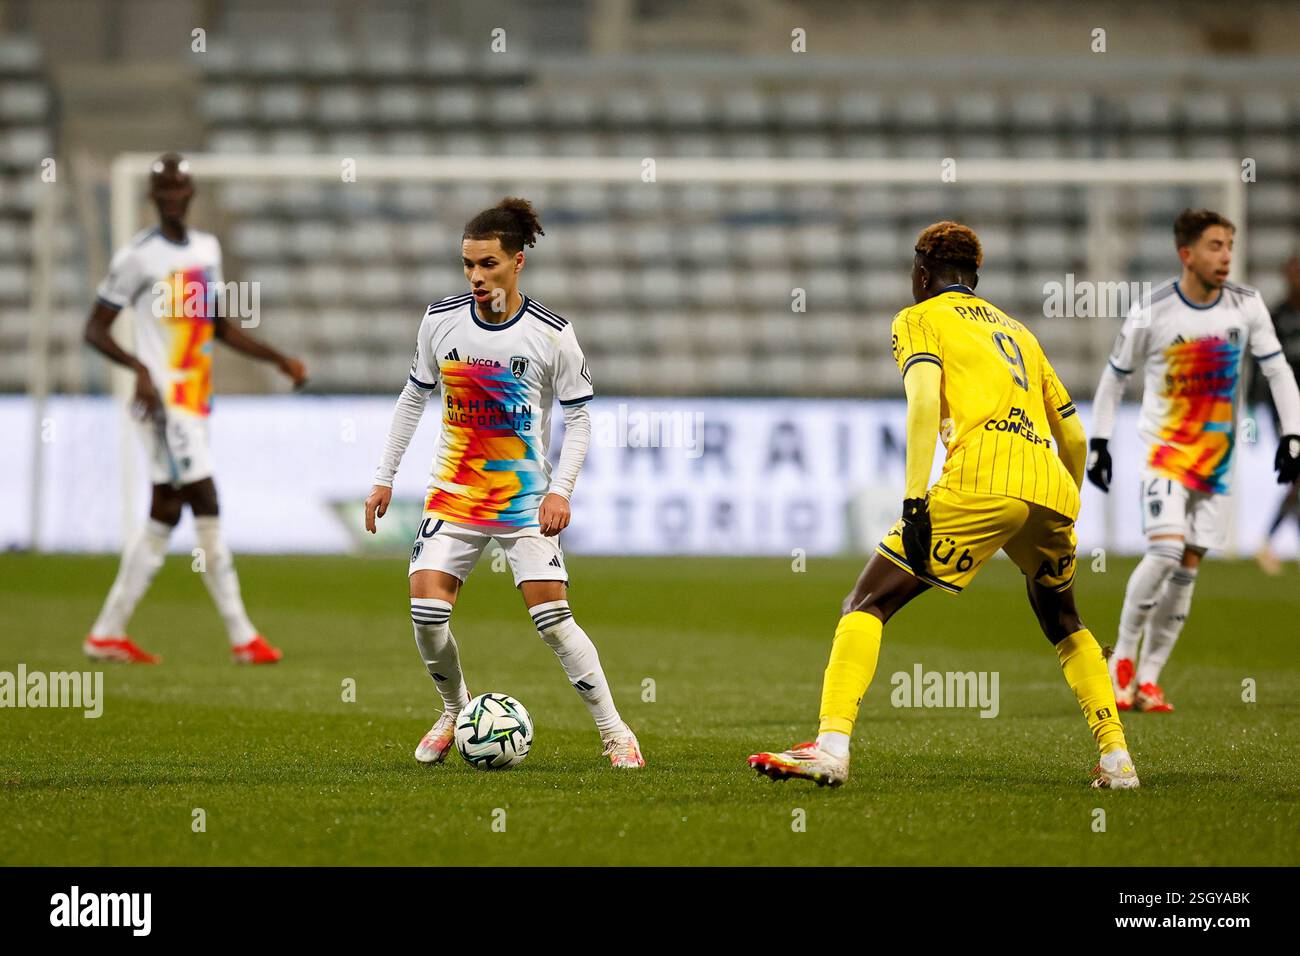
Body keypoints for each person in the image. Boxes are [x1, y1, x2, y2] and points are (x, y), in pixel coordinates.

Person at [749, 221, 1138, 789]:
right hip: (1051, 487)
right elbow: (1074, 436)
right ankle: (1117, 759)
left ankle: (831, 746)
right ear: (974, 277)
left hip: (982, 482)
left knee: (865, 601)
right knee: (1064, 621)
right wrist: (1066, 507)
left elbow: (925, 401)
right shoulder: (1019, 332)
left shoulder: (920, 318)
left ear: (922, 273)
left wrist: (913, 502)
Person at [365, 197, 644, 769]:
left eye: (487, 264)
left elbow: (581, 414)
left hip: (522, 501)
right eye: (468, 264)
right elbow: (415, 394)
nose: (475, 276)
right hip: (454, 494)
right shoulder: (439, 320)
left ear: (517, 262)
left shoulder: (552, 334)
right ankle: (453, 709)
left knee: (553, 621)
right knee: (426, 614)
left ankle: (616, 732)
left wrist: (561, 489)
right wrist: (383, 477)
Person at [83, 153, 307, 664]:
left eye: (179, 187)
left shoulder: (207, 248)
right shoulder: (137, 257)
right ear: (152, 196)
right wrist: (139, 369)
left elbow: (217, 325)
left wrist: (277, 359)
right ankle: (242, 634)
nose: (172, 196)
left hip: (195, 400)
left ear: (190, 193)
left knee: (165, 509)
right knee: (206, 500)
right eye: (163, 189)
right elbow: (94, 329)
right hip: (162, 406)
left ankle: (106, 632)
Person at [1086, 210, 1300, 711]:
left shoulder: (1246, 307)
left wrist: (1293, 436)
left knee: (1187, 568)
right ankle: (1122, 660)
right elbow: (1114, 376)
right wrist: (1099, 443)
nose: (1226, 256)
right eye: (1214, 246)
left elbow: (1278, 371)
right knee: (1163, 553)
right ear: (1186, 254)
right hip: (1164, 454)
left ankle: (1150, 679)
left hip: (1215, 462)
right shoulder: (1153, 309)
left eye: (1229, 245)